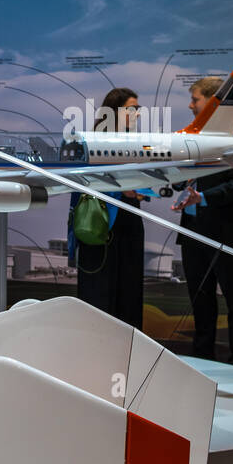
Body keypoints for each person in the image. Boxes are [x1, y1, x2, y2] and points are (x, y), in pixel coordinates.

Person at [172, 76, 233, 366]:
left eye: (195, 99)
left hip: (225, 231)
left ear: (213, 100)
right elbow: (182, 176)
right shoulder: (190, 135)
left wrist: (202, 198)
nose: (190, 105)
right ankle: (203, 361)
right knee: (200, 300)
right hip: (193, 230)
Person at [70, 86, 145, 329]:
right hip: (97, 223)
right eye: (132, 109)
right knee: (97, 296)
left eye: (138, 109)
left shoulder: (138, 143)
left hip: (129, 220)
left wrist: (141, 190)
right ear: (114, 112)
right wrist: (119, 190)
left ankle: (128, 354)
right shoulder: (90, 142)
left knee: (129, 295)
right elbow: (80, 183)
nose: (137, 114)